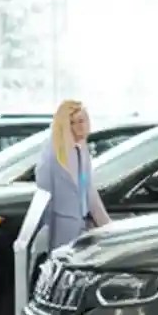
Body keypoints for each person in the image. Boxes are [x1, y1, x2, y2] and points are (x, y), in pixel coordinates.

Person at [37, 100, 111, 250]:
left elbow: (88, 189)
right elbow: (44, 198)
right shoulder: (52, 156)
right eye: (73, 122)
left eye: (82, 120)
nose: (80, 126)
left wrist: (107, 226)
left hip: (80, 226)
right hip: (60, 230)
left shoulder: (81, 150)